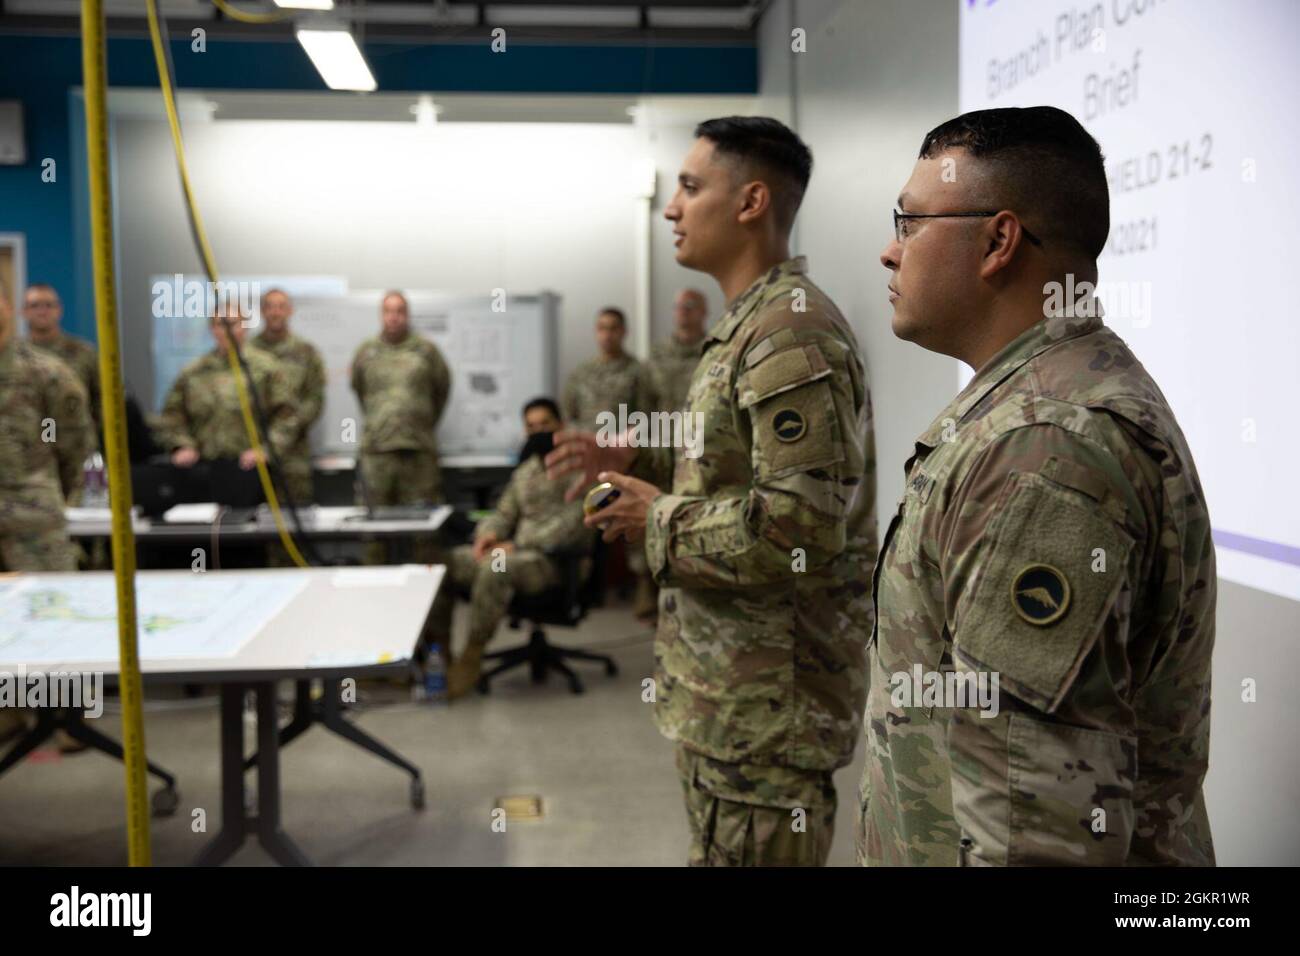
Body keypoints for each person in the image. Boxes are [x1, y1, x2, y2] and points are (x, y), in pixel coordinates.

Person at [858, 106, 1216, 867]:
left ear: (998, 240)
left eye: (911, 223)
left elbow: (1035, 834)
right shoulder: (1039, 408)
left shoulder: (1045, 445)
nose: (890, 252)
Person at [547, 116, 877, 866]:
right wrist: (645, 463)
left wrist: (653, 518)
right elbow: (735, 478)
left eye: (691, 188)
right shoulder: (748, 327)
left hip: (768, 715)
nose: (671, 209)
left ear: (752, 202)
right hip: (727, 699)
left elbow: (797, 530)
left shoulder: (790, 336)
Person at [438, 398, 592, 699]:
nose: (538, 432)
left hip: (553, 561)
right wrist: (488, 534)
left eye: (544, 424)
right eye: (531, 426)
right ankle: (440, 650)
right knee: (446, 562)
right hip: (515, 554)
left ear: (560, 425)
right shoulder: (526, 472)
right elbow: (502, 513)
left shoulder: (580, 469)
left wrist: (515, 545)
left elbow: (575, 525)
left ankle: (472, 653)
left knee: (496, 567)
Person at [562, 307, 659, 618]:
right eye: (602, 328)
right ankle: (585, 588)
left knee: (630, 522)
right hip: (590, 459)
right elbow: (572, 412)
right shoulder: (581, 373)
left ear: (624, 332)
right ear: (596, 332)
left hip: (625, 459)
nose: (607, 334)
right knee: (585, 520)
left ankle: (644, 585)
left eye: (613, 328)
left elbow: (647, 416)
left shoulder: (638, 372)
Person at [0, 276, 93, 572]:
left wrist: (69, 511)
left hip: (34, 528)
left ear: (7, 307)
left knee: (52, 613)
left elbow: (76, 454)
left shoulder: (47, 374)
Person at [155, 305, 299, 476]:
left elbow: (287, 415)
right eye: (220, 324)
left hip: (251, 467)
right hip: (203, 466)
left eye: (233, 324)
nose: (227, 331)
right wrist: (182, 445)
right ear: (212, 329)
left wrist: (267, 450)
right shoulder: (194, 371)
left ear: (244, 326)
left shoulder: (267, 368)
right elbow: (172, 415)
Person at [350, 291, 451, 519]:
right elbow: (359, 390)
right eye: (388, 311)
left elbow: (442, 390)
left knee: (424, 527)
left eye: (399, 311)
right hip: (377, 451)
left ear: (407, 315)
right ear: (381, 315)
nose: (393, 317)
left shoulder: (426, 351)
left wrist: (420, 420)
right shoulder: (366, 352)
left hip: (418, 451)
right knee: (372, 526)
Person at [248, 288, 326, 504]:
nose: (276, 312)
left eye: (281, 306)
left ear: (290, 310)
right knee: (253, 521)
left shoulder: (306, 352)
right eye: (270, 306)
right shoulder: (247, 351)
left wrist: (286, 431)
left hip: (294, 454)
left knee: (296, 520)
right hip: (253, 452)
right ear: (262, 311)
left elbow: (315, 399)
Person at [22, 283, 100, 439]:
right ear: (24, 312)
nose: (42, 311)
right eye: (35, 305)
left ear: (59, 310)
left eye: (48, 305)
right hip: (27, 451)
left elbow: (102, 401)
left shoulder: (84, 353)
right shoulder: (14, 356)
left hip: (75, 444)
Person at [647, 288, 709, 414]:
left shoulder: (715, 351)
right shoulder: (657, 354)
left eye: (689, 305)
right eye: (678, 306)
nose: (683, 310)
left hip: (702, 430)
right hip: (663, 431)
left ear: (704, 311)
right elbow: (645, 402)